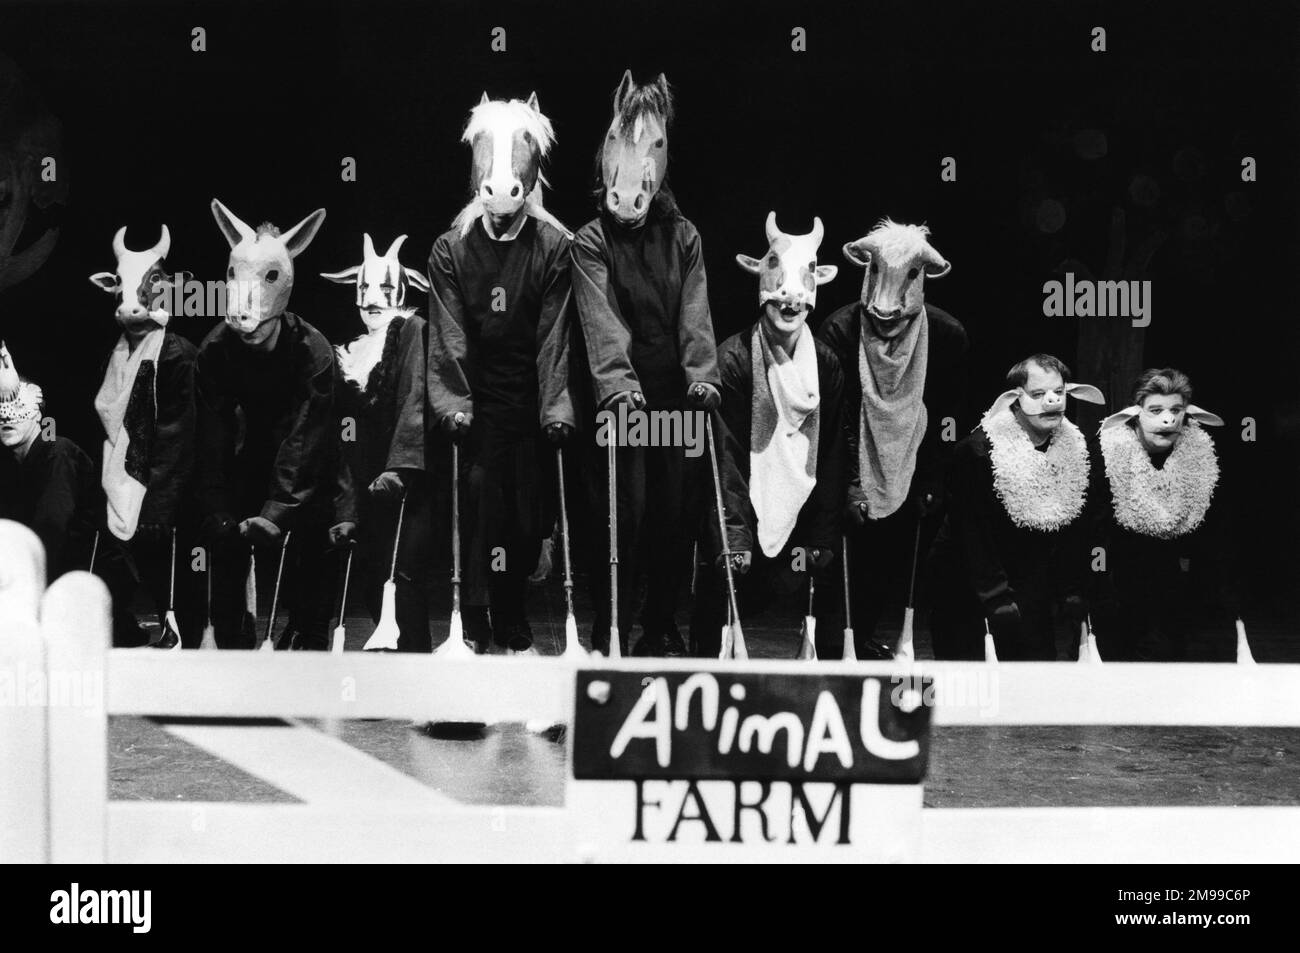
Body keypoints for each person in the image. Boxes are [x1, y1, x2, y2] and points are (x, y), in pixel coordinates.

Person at [571, 71, 719, 657]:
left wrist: (702, 377)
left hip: (673, 402)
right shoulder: (590, 242)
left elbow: (694, 312)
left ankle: (660, 625)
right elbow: (601, 322)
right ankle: (611, 627)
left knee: (673, 516)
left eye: (652, 144)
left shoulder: (684, 237)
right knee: (622, 517)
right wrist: (617, 386)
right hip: (624, 405)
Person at [427, 93, 575, 654]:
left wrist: (556, 408)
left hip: (529, 401)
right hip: (476, 402)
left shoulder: (553, 248)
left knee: (523, 515)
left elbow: (555, 336)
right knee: (481, 501)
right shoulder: (451, 250)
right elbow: (449, 335)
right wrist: (453, 404)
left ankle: (513, 613)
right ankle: (475, 615)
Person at [689, 214, 845, 657]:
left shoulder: (828, 367)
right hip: (744, 505)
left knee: (810, 587)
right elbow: (725, 456)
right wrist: (733, 540)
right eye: (780, 294)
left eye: (801, 294)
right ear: (759, 278)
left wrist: (822, 536)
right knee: (723, 587)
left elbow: (831, 453)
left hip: (802, 507)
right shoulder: (734, 360)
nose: (790, 303)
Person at [816, 219, 967, 658]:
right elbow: (836, 414)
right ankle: (834, 645)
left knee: (890, 557)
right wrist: (850, 482)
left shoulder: (945, 335)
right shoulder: (839, 330)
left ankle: (860, 638)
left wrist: (933, 478)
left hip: (912, 463)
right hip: (851, 462)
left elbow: (948, 414)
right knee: (842, 556)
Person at [196, 200, 341, 650]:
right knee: (224, 551)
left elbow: (308, 439)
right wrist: (220, 511)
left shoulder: (313, 351)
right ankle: (231, 640)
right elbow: (211, 436)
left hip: (302, 480)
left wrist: (277, 511)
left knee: (311, 547)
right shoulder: (215, 351)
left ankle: (307, 636)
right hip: (243, 468)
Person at [927, 353, 1102, 660]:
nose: (1052, 402)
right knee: (972, 677)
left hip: (1030, 577)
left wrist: (1070, 588)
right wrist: (994, 594)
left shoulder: (1075, 449)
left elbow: (1074, 524)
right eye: (1038, 394)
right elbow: (972, 531)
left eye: (1059, 393)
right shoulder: (978, 453)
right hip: (969, 581)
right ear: (1015, 399)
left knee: (1033, 670)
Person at [87, 225, 198, 648]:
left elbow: (178, 434)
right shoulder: (114, 355)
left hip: (162, 484)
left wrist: (161, 500)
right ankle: (119, 625)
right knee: (119, 555)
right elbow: (107, 415)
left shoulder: (176, 354)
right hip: (119, 474)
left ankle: (179, 625)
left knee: (166, 557)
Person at [323, 234, 432, 652]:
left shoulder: (411, 332)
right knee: (370, 572)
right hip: (368, 483)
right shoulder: (353, 353)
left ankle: (417, 666)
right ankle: (396, 662)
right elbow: (346, 436)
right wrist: (347, 507)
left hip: (408, 482)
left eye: (384, 289)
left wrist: (399, 468)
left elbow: (414, 399)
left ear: (404, 289)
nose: (372, 298)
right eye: (364, 288)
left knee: (402, 572)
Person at [1088, 368, 1237, 661]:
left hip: (1173, 590)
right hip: (1117, 587)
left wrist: (1207, 591)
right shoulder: (1106, 454)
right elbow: (1093, 530)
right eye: (1155, 410)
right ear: (1137, 413)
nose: (1167, 419)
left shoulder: (1201, 456)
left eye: (1176, 410)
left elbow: (1214, 533)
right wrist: (1096, 592)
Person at [0, 343, 98, 581]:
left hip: (79, 585)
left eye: (17, 405)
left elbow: (51, 529)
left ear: (37, 413)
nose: (5, 414)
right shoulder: (15, 467)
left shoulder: (58, 453)